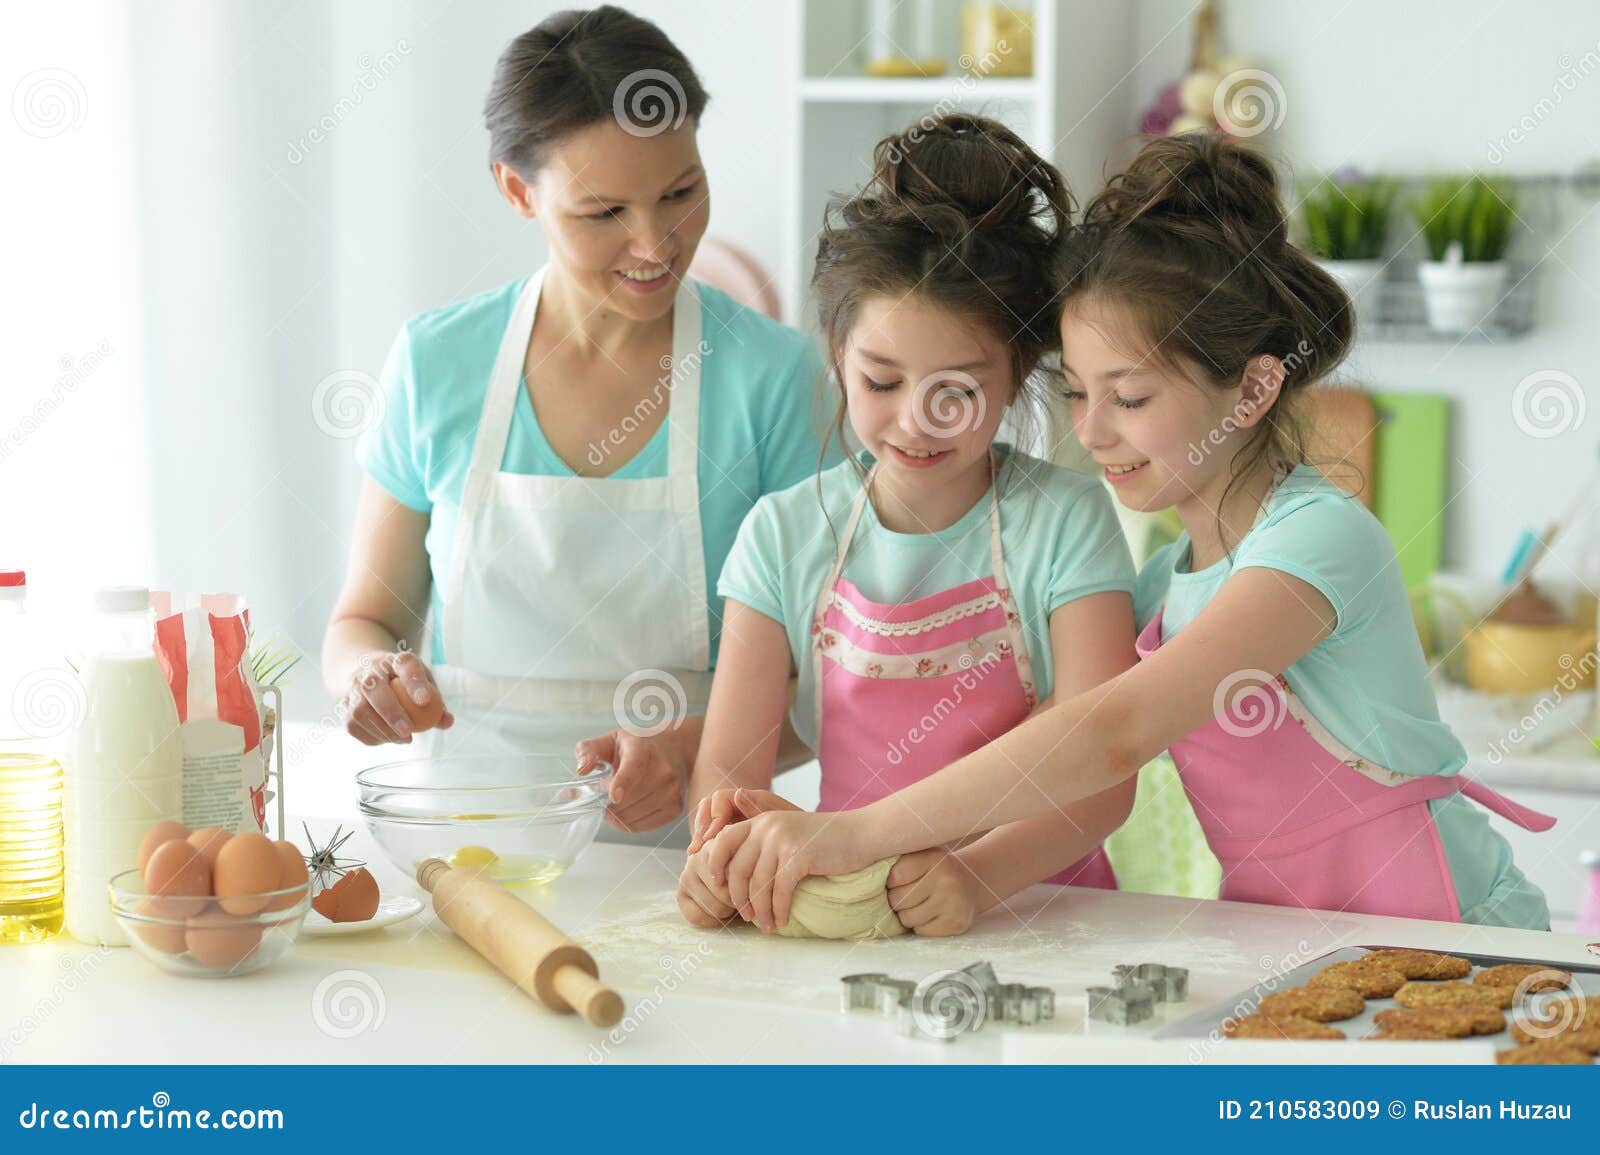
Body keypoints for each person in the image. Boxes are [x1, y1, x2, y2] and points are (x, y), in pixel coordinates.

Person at [702, 133, 1554, 931]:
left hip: (1442, 924)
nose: (1094, 431)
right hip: (1279, 934)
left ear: (1254, 390)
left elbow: (1112, 734)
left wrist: (856, 835)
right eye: (1077, 392)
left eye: (1131, 397)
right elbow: (1041, 742)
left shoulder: (1319, 542)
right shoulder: (1159, 591)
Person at [323, 7, 819, 842]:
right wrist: (365, 677)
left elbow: (829, 686)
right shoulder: (437, 362)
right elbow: (363, 617)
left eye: (681, 192)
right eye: (603, 213)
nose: (656, 242)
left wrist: (697, 749)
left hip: (699, 863)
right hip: (470, 855)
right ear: (518, 190)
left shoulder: (777, 378)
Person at [676, 116, 1137, 937]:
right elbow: (729, 779)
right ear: (838, 354)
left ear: (1020, 368)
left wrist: (977, 875)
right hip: (852, 917)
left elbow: (1103, 776)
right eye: (882, 381)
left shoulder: (1068, 522)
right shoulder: (783, 533)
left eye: (957, 388)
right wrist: (726, 859)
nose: (916, 421)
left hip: (1050, 917)